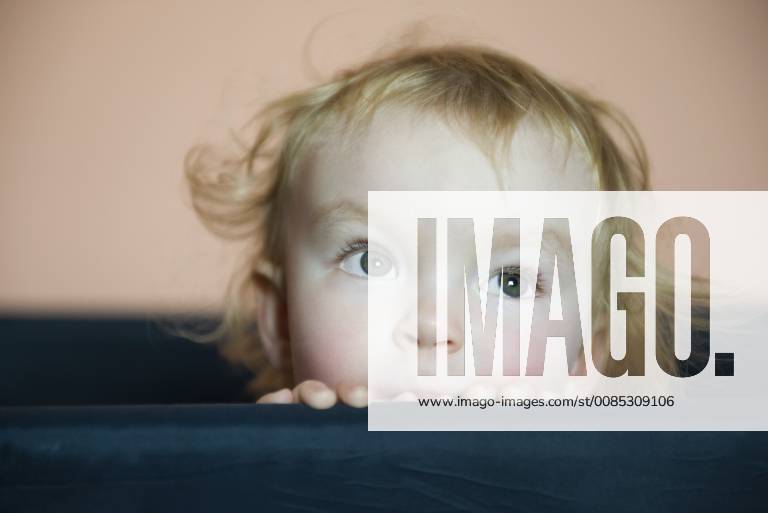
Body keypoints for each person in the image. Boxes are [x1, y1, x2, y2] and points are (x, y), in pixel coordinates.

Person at [184, 43, 689, 409]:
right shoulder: (260, 468)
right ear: (280, 320)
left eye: (511, 281)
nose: (433, 326)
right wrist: (269, 473)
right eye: (370, 261)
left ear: (589, 355)